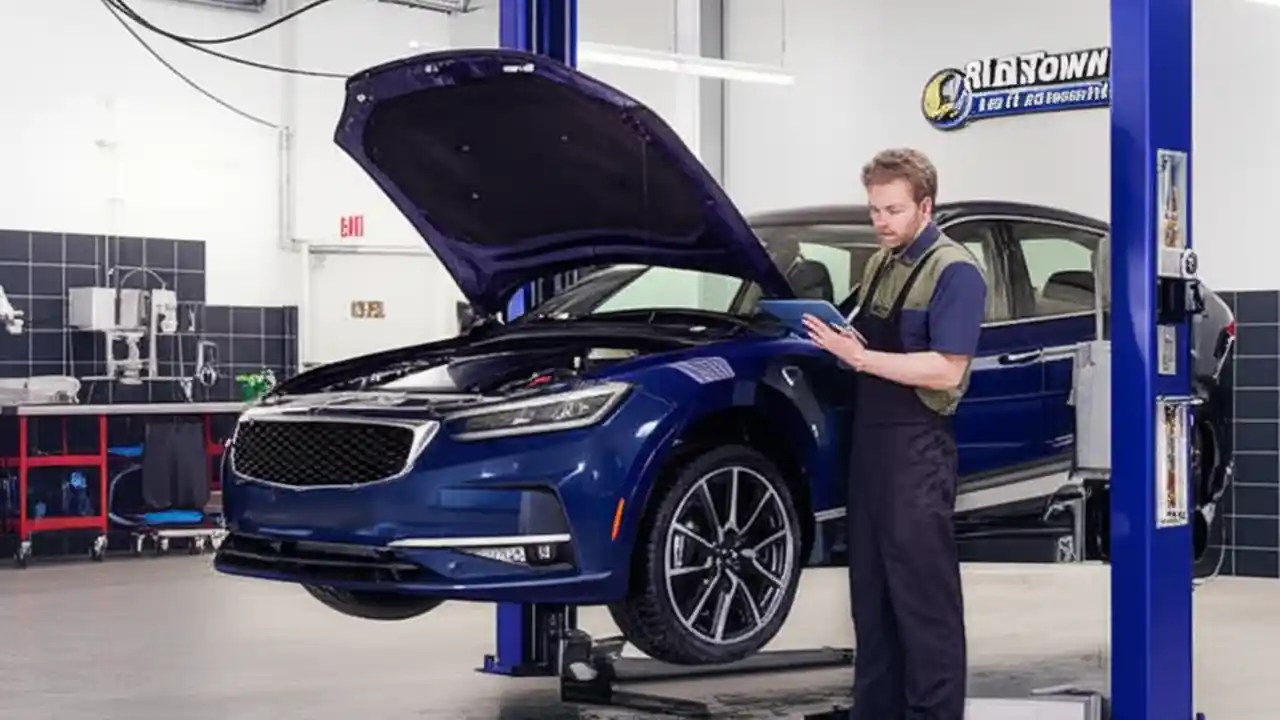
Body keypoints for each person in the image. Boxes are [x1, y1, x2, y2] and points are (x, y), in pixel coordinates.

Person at [802, 148, 987, 720]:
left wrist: (859, 359)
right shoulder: (883, 261)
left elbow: (946, 369)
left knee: (923, 601)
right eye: (875, 210)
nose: (881, 221)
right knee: (873, 597)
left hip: (918, 448)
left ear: (925, 206)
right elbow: (860, 337)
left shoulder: (955, 271)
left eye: (893, 209)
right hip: (873, 450)